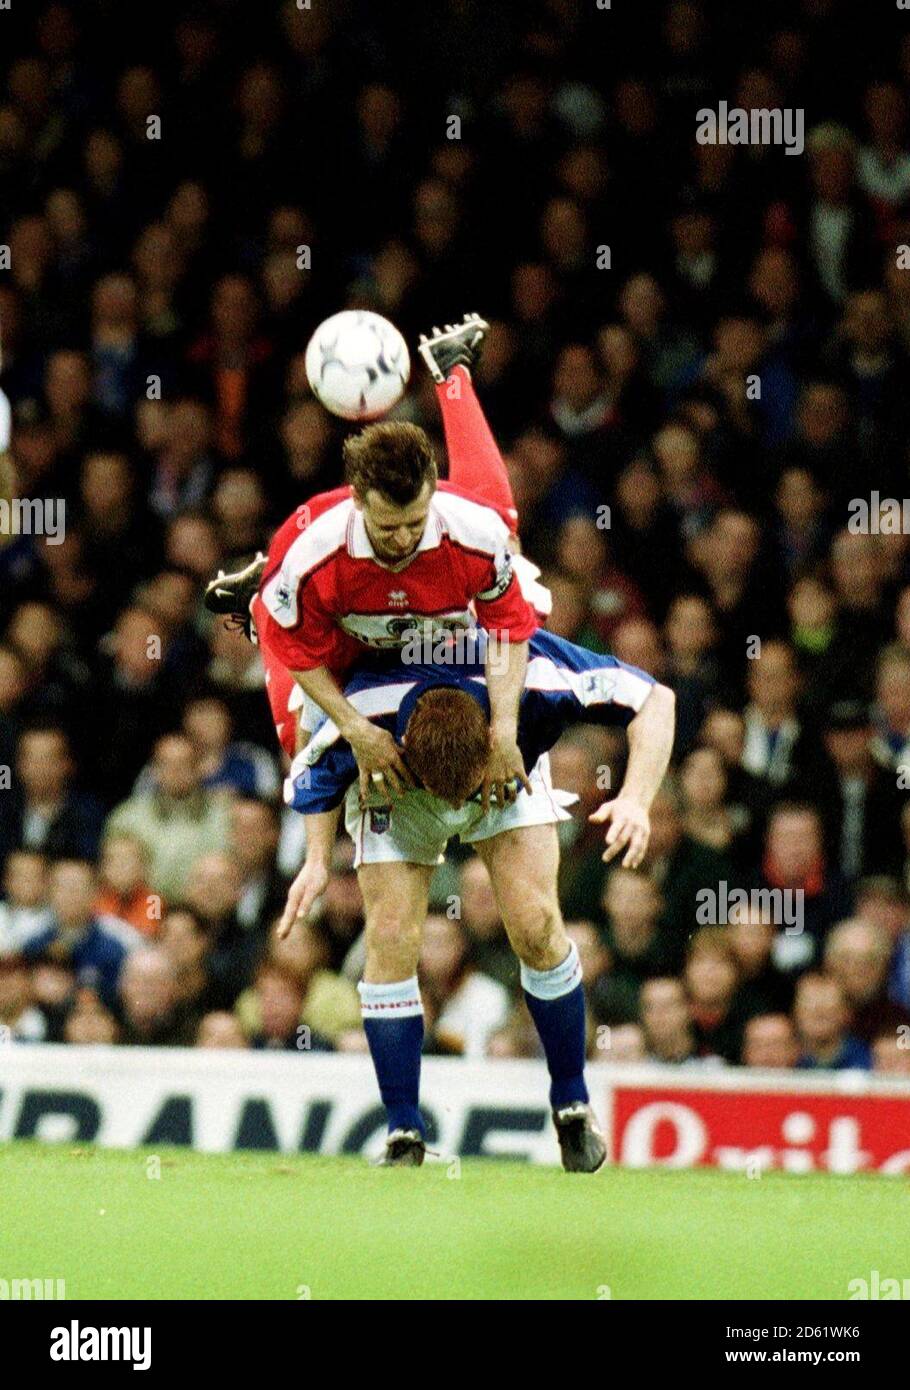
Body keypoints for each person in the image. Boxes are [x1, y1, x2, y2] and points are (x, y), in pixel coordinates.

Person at [280, 620, 674, 1168]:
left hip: (505, 774)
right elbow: (310, 771)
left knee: (536, 928)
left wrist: (636, 799)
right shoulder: (367, 710)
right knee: (390, 939)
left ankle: (572, 1103)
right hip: (396, 785)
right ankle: (403, 1132)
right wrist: (317, 861)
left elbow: (657, 699)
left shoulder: (537, 676)